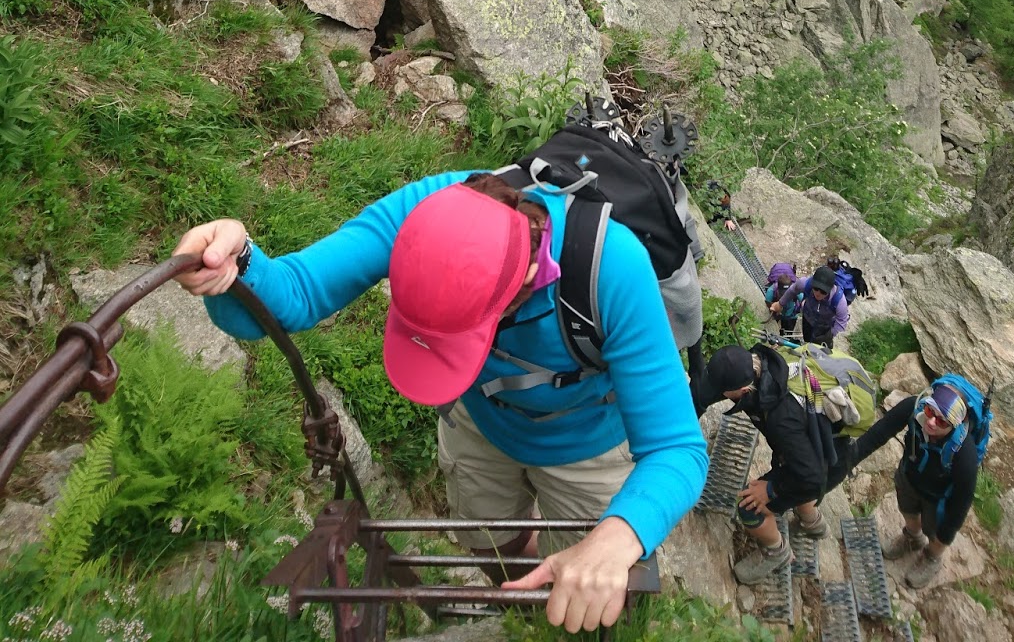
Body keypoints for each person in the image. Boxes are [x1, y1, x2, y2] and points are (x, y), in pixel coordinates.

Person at [173, 170, 708, 633]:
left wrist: (617, 537)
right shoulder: (426, 214)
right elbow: (297, 294)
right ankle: (525, 605)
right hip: (482, 424)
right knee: (487, 539)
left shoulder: (611, 267)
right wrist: (236, 265)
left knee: (600, 590)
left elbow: (678, 449)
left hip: (588, 444)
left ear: (524, 283)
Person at [693, 343, 837, 585]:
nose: (719, 395)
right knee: (792, 468)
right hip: (816, 445)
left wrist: (772, 490)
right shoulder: (759, 367)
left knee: (749, 505)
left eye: (722, 391)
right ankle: (813, 523)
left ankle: (776, 551)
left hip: (823, 464)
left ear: (740, 390)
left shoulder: (781, 417)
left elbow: (810, 476)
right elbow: (705, 395)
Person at [841, 382, 979, 590]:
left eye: (942, 421)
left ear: (956, 424)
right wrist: (846, 462)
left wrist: (946, 533)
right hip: (909, 476)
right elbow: (880, 433)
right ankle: (913, 538)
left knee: (934, 531)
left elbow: (962, 500)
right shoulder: (914, 408)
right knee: (907, 510)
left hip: (938, 497)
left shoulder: (964, 454)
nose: (931, 422)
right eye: (930, 411)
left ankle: (933, 556)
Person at [771, 264, 850, 349]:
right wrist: (780, 304)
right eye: (816, 288)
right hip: (808, 319)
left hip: (825, 328)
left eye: (823, 291)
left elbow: (841, 322)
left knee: (821, 351)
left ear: (830, 289)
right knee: (807, 342)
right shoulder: (804, 283)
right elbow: (792, 290)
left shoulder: (839, 301)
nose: (818, 293)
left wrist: (830, 335)